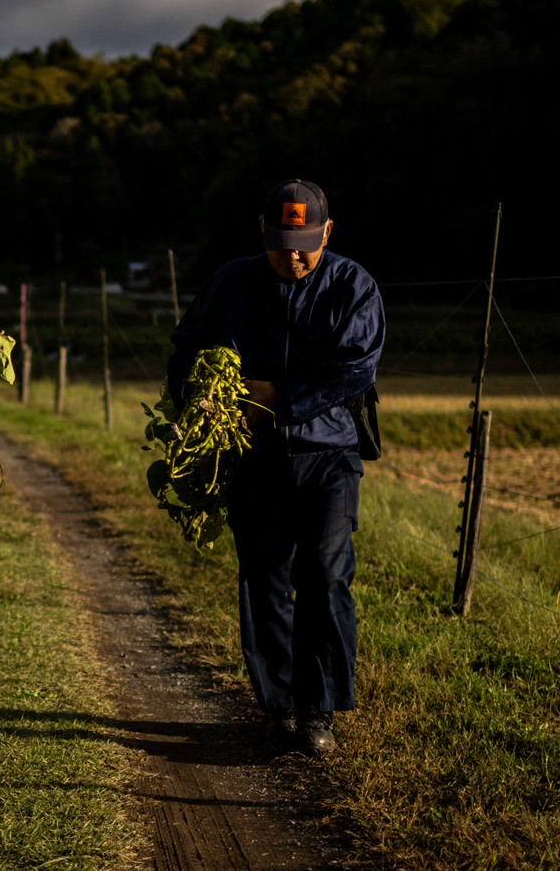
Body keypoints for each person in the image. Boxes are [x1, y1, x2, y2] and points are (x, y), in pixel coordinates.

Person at [165, 178, 384, 756]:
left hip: (328, 454)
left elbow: (356, 369)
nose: (293, 257)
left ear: (327, 233)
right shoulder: (231, 282)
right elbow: (187, 347)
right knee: (263, 578)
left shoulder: (353, 286)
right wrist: (192, 401)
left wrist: (279, 396)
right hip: (252, 455)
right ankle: (279, 705)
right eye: (282, 244)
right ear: (262, 231)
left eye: (305, 245)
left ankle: (319, 709)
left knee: (325, 575)